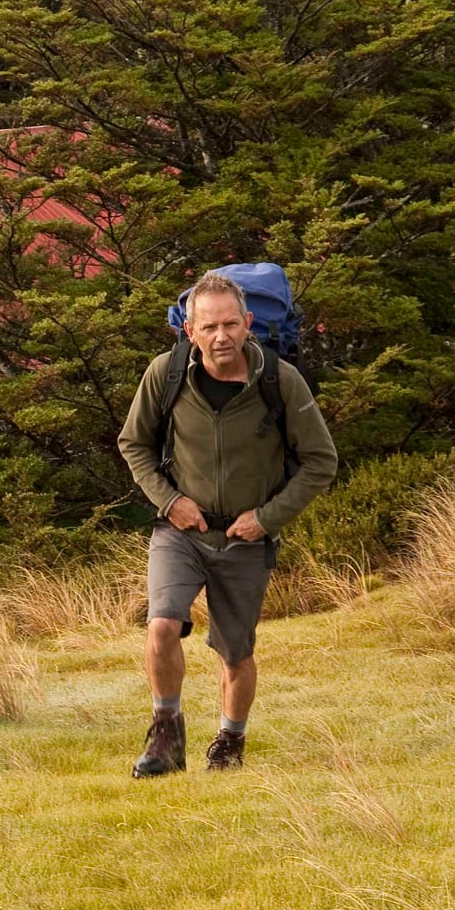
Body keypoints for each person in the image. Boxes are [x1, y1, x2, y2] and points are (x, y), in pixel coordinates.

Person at [116, 271, 338, 777]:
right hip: (180, 531)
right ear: (190, 331)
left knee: (235, 653)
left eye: (231, 324)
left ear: (249, 325)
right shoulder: (164, 374)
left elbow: (321, 461)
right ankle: (166, 738)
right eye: (209, 326)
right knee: (161, 625)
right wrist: (170, 501)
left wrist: (267, 518)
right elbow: (135, 445)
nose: (222, 336)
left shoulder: (280, 381)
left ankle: (229, 742)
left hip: (246, 540)